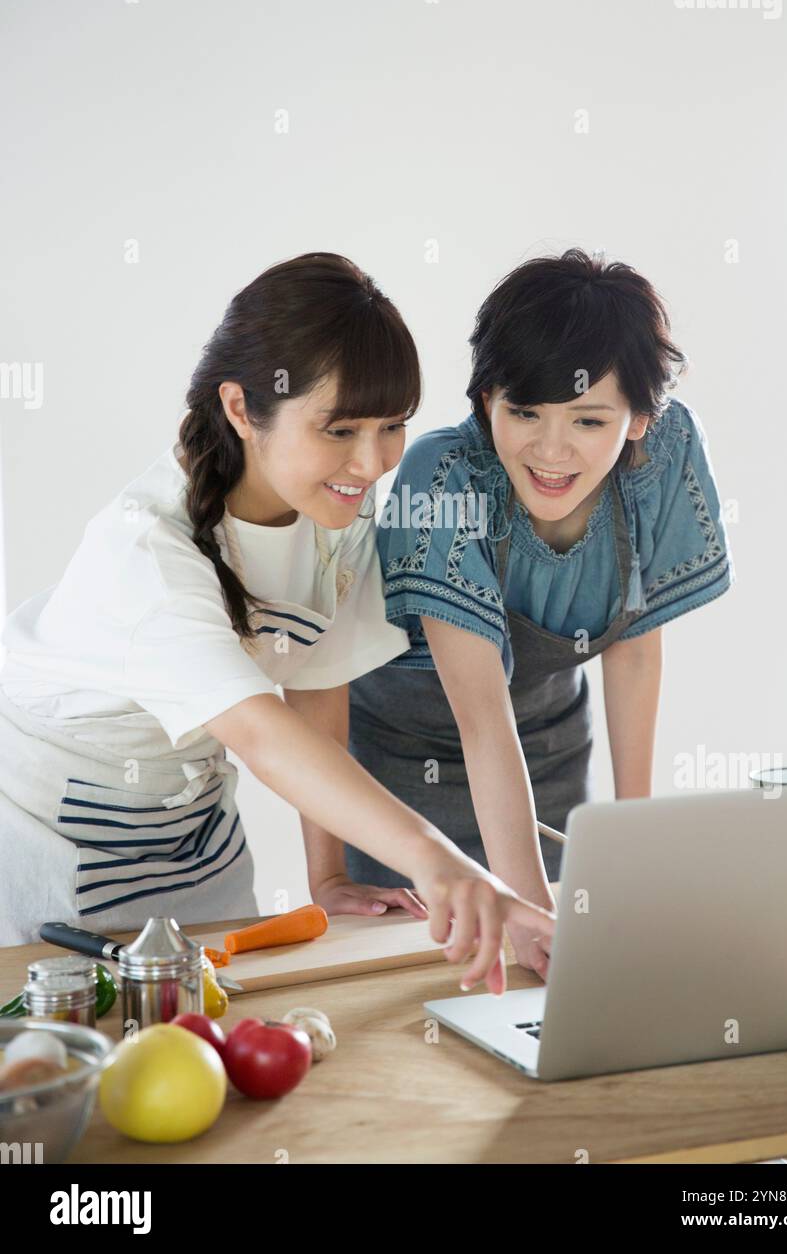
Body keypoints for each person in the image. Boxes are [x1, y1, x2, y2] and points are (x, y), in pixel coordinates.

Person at [0, 252, 554, 993]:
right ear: (240, 408)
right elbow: (261, 734)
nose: (372, 461)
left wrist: (325, 877)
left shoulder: (335, 510)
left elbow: (316, 684)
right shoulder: (145, 553)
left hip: (195, 828)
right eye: (340, 429)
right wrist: (441, 862)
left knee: (217, 1028)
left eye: (392, 427)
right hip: (56, 835)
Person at [340, 248, 735, 983]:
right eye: (523, 412)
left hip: (550, 750)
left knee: (562, 964)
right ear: (487, 396)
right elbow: (482, 715)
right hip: (407, 769)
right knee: (435, 975)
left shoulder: (667, 453)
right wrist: (522, 905)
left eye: (589, 420)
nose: (551, 450)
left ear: (642, 416)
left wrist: (633, 842)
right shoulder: (446, 477)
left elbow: (634, 648)